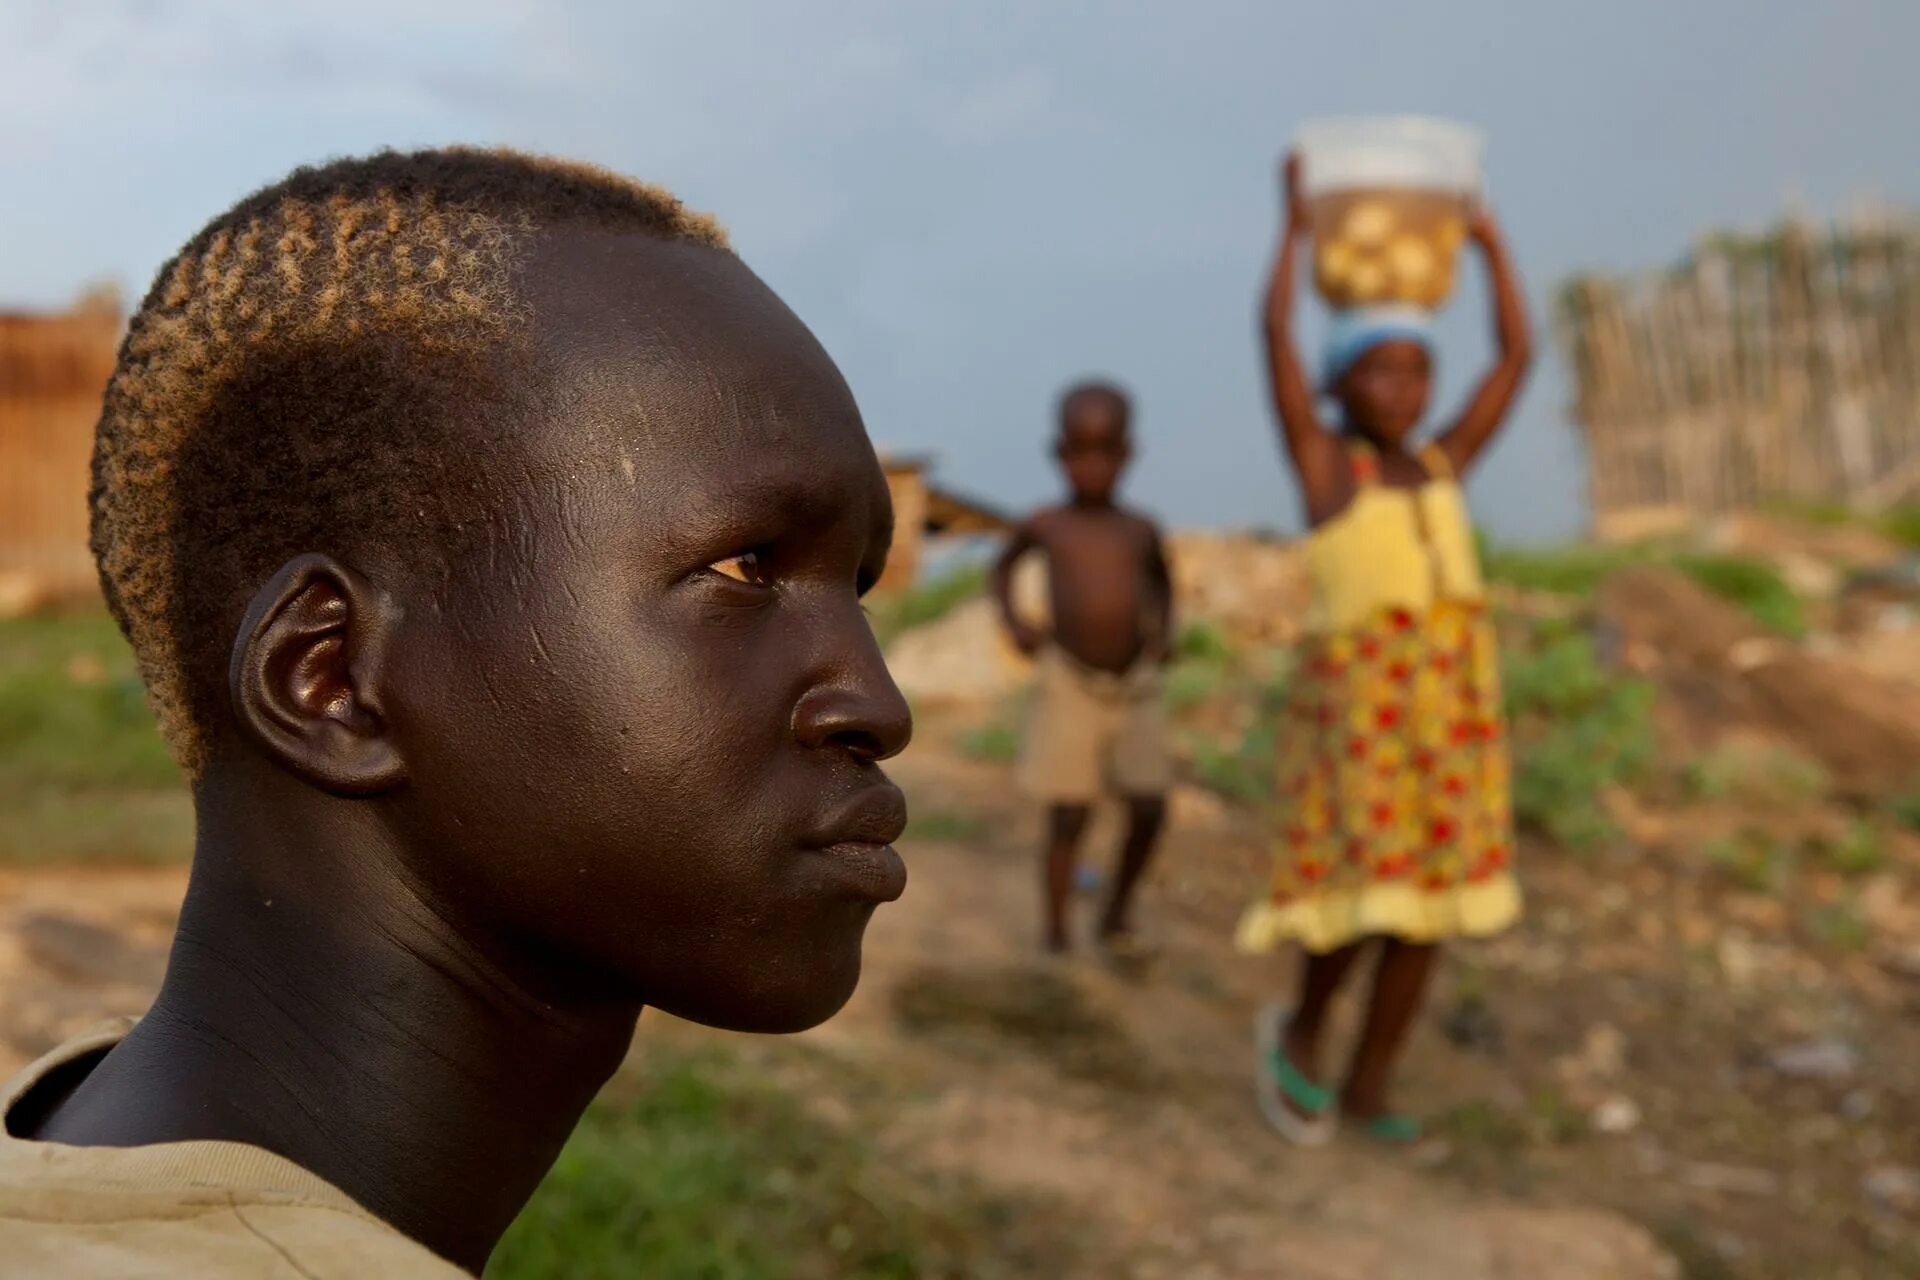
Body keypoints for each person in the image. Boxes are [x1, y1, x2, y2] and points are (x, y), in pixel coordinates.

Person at [0, 147, 912, 1276]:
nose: (876, 701)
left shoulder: (67, 1145)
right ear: (332, 681)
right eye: (744, 566)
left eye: (858, 585)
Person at [1239, 155, 1532, 1145]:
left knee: (1431, 913)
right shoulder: (1328, 466)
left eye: (1417, 370)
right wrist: (1292, 230)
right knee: (1362, 901)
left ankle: (1372, 1081)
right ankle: (1304, 1031)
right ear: (1340, 381)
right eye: (1379, 368)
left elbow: (1517, 360)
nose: (1402, 387)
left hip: (1452, 724)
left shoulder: (1445, 461)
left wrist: (1489, 248)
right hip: (1362, 725)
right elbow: (1274, 331)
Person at [992, 381, 1174, 957]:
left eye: (1105, 452)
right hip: (1068, 678)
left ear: (1126, 455)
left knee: (1150, 805)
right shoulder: (1047, 525)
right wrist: (1015, 622)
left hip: (1134, 685)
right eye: (1079, 452)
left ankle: (1116, 911)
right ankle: (1055, 929)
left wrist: (1162, 634)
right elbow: (1001, 571)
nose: (1091, 467)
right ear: (1060, 454)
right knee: (1069, 811)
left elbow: (1163, 586)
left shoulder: (1140, 530)